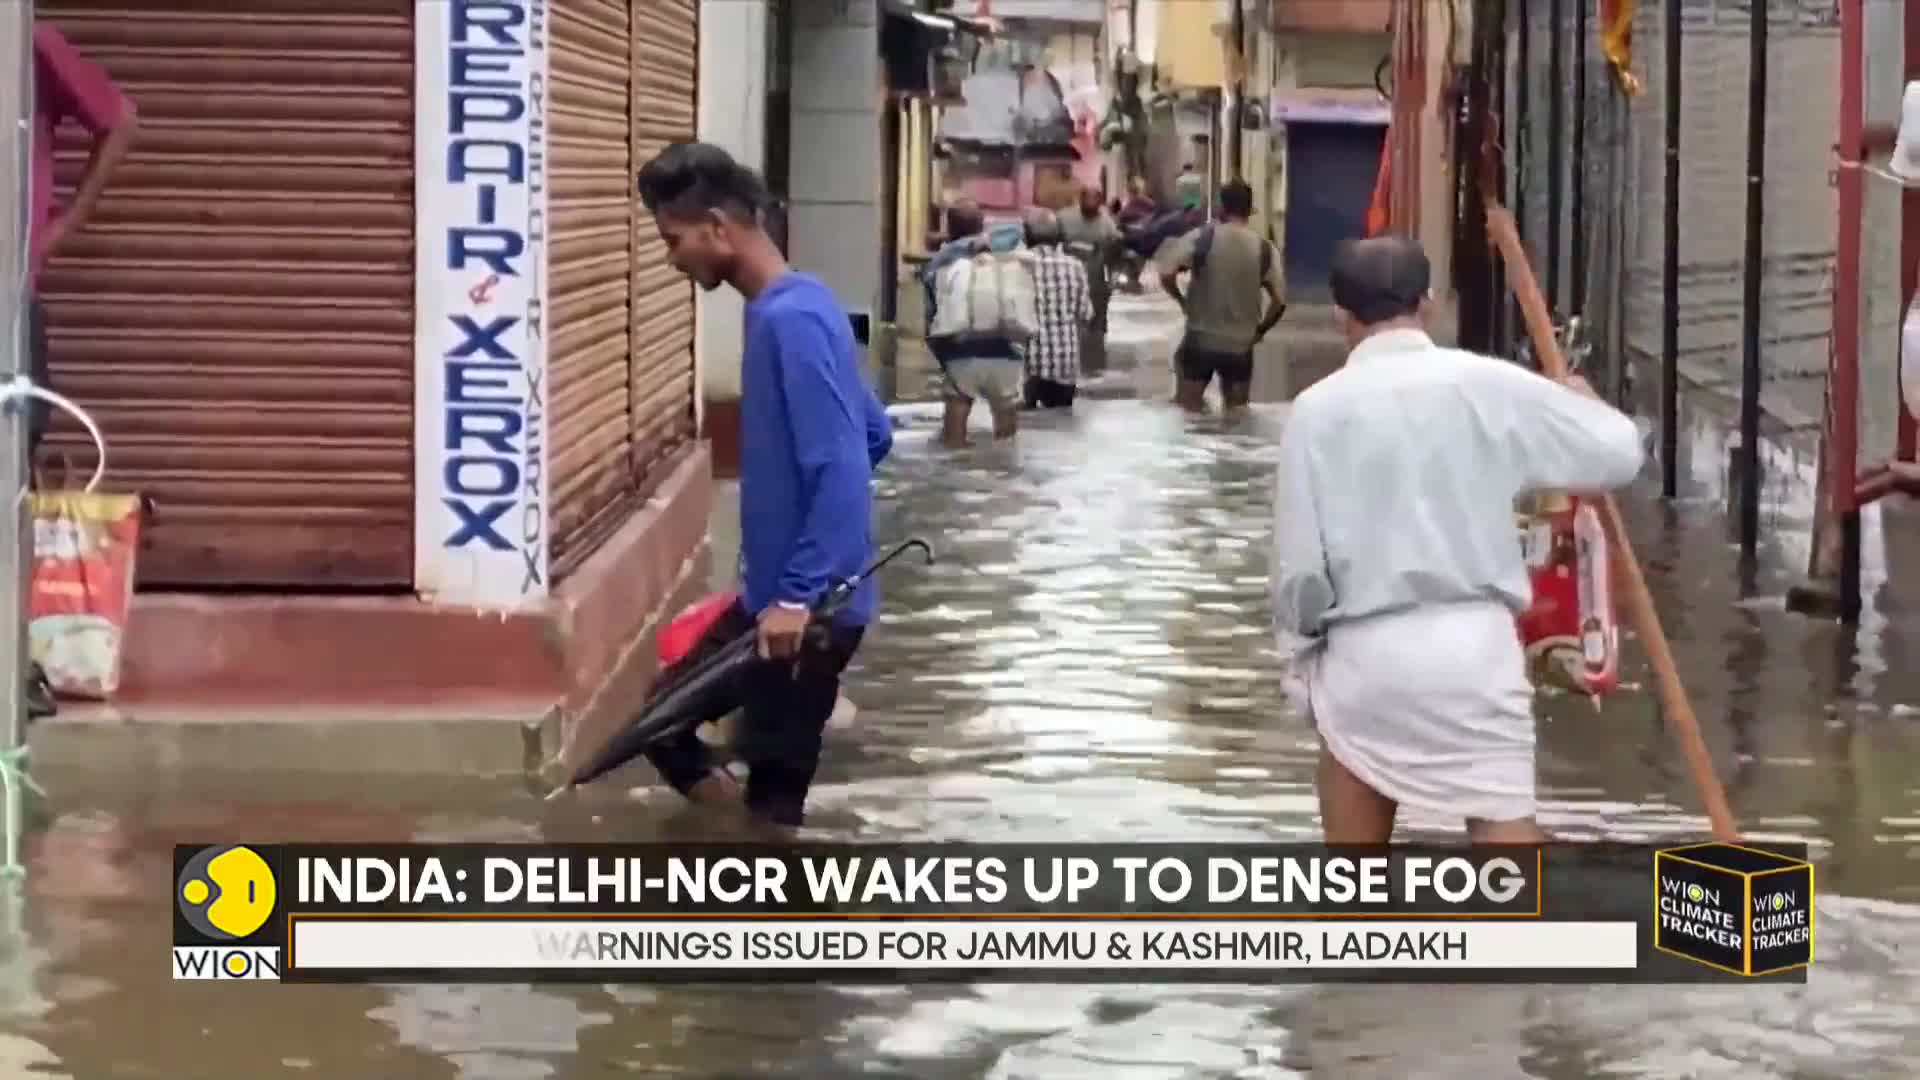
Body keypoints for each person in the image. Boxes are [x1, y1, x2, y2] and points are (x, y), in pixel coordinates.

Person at [1269, 235, 1646, 845]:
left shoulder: (1314, 412)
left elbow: (1301, 577)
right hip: (1475, 648)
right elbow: (1618, 455)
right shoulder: (1490, 384)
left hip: (1366, 653)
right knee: (1505, 848)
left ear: (1340, 315)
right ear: (1430, 305)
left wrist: (1303, 664)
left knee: (1352, 878)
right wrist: (1583, 402)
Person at [634, 141, 893, 833]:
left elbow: (842, 465)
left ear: (718, 227)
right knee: (664, 725)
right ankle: (746, 871)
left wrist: (800, 591)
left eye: (675, 239)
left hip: (803, 615)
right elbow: (872, 435)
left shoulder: (792, 320)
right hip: (780, 599)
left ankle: (769, 909)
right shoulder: (801, 304)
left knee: (773, 805)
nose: (672, 257)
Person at [25, 24, 138, 720]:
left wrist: (60, 227)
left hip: (9, 301)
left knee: (10, 484)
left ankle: (13, 662)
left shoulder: (27, 44)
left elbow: (118, 120)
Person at [1158, 179, 1285, 416]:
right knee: (1237, 418)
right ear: (1249, 211)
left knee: (1187, 415)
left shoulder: (1200, 238)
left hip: (1200, 341)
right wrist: (1259, 332)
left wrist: (1182, 301)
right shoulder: (1265, 249)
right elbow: (1280, 303)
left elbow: (1165, 274)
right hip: (1240, 347)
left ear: (1220, 208)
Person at [1019, 209, 1094, 410]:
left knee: (1027, 433)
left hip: (1027, 369)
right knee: (1061, 426)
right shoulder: (1075, 266)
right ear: (1059, 236)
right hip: (1065, 366)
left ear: (1026, 236)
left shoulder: (1016, 266)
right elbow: (1086, 315)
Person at [1059, 183, 1120, 375]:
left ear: (1101, 204)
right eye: (1087, 201)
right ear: (1080, 200)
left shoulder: (1107, 223)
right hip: (1067, 275)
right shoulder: (1064, 218)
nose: (1091, 206)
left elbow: (1116, 249)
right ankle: (1071, 358)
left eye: (1095, 203)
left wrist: (1113, 277)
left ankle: (1094, 361)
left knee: (1097, 318)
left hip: (1095, 276)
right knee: (1070, 318)